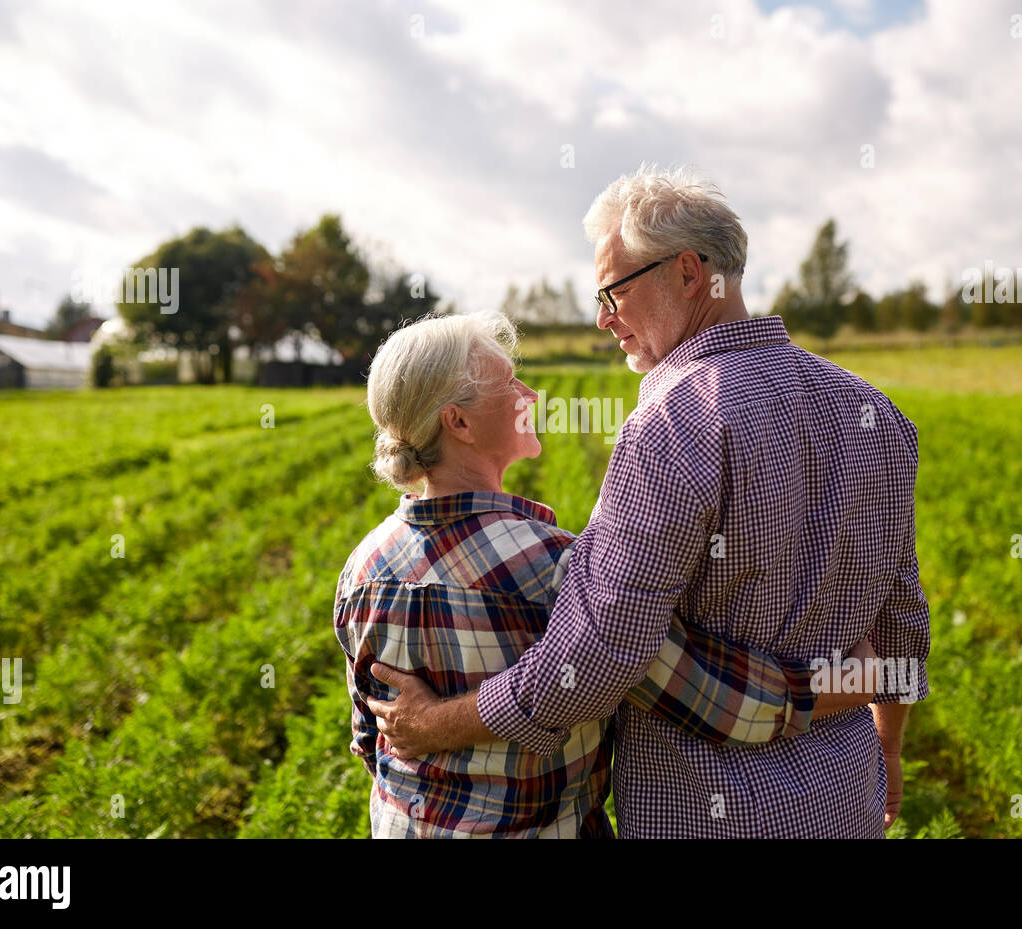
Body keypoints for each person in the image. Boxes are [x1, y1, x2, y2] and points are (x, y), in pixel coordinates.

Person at [368, 164, 931, 838]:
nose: (603, 318)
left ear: (688, 274)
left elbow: (602, 652)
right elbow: (902, 614)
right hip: (845, 797)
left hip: (707, 812)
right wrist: (888, 746)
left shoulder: (675, 419)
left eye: (614, 291)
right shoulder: (875, 410)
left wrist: (436, 723)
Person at [336, 311, 875, 838]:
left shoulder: (362, 568)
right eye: (509, 383)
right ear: (459, 422)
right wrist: (844, 683)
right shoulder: (556, 567)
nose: (530, 395)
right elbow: (709, 698)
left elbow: (372, 739)